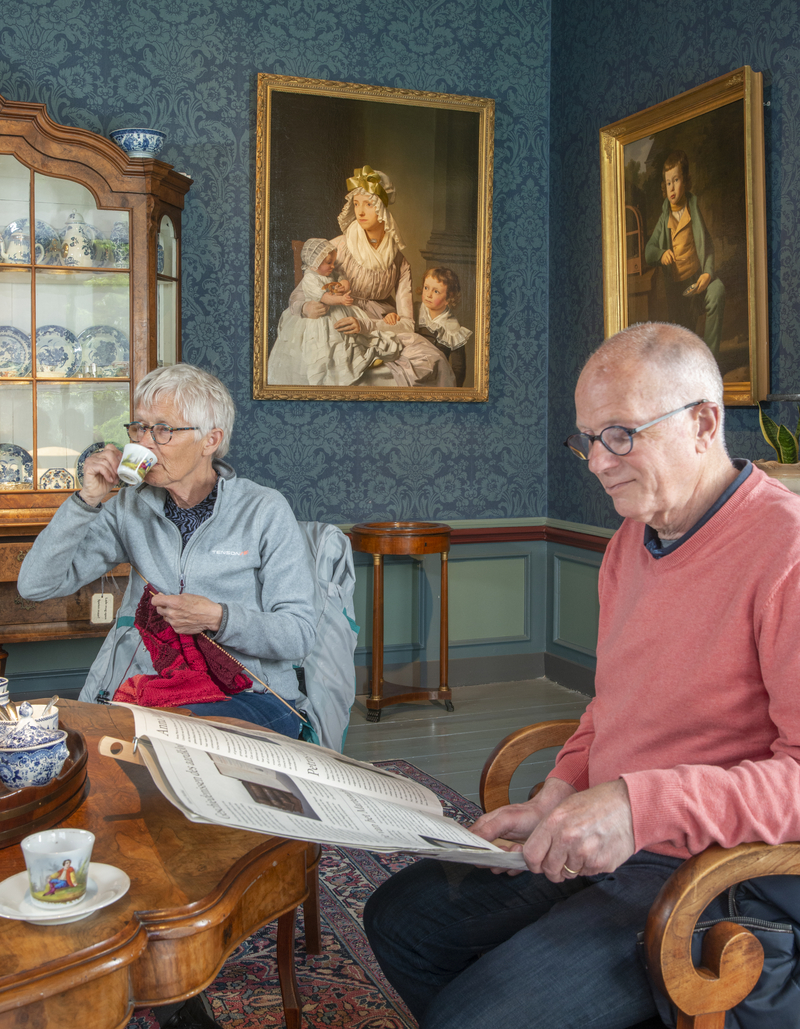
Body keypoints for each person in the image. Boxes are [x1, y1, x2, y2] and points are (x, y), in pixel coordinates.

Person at [364, 322, 800, 1029]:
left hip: (707, 875)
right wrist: (559, 791)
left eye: (620, 435)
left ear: (703, 423)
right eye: (588, 438)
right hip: (606, 832)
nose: (597, 462)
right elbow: (610, 705)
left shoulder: (787, 548)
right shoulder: (631, 539)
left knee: (475, 1018)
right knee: (400, 918)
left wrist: (637, 806)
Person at [18, 363, 316, 738]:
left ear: (210, 440)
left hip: (251, 694)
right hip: (152, 689)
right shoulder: (129, 507)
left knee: (174, 736)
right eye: (139, 427)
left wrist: (218, 618)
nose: (144, 443)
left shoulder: (263, 510)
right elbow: (36, 585)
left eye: (163, 430)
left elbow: (299, 633)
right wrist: (86, 500)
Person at [287, 165, 455, 388]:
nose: (360, 212)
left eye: (368, 204)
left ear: (382, 208)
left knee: (433, 361)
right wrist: (306, 308)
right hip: (339, 320)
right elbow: (300, 294)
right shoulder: (337, 247)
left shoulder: (399, 261)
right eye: (356, 204)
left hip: (379, 324)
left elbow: (407, 323)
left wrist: (367, 324)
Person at [268, 237, 402, 386]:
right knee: (325, 344)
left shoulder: (328, 273)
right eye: (328, 262)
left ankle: (362, 357)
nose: (333, 266)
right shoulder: (310, 278)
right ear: (315, 262)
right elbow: (321, 297)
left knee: (352, 337)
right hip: (318, 319)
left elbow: (340, 277)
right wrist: (340, 300)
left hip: (337, 312)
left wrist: (343, 285)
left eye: (333, 262)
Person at [644, 150, 726, 356]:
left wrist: (707, 273)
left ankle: (711, 357)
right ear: (664, 187)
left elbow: (708, 245)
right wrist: (661, 254)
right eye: (668, 183)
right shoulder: (664, 219)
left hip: (698, 280)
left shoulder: (693, 209)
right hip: (680, 291)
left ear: (686, 181)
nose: (672, 187)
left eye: (676, 180)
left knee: (717, 291)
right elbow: (648, 251)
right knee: (685, 344)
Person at [416, 266, 472, 387]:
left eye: (436, 291)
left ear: (448, 299)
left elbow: (459, 368)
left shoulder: (453, 328)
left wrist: (452, 393)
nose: (428, 294)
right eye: (426, 288)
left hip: (435, 380)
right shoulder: (415, 310)